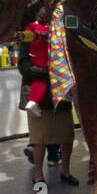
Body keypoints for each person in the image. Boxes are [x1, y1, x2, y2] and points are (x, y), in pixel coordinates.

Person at [17, 36, 78, 186]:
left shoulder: (62, 35)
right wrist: (46, 70)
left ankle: (66, 171)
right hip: (37, 97)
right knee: (39, 138)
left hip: (61, 93)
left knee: (67, 135)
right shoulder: (29, 35)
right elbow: (23, 66)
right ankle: (38, 175)